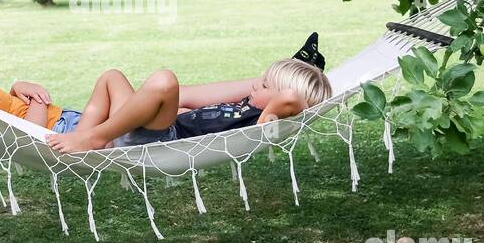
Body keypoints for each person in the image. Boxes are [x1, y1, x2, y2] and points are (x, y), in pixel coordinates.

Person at [44, 58, 331, 153]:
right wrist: (268, 88)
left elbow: (290, 99)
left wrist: (272, 106)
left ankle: (94, 137)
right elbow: (281, 94)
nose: (256, 85)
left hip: (164, 138)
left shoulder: (262, 121)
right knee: (112, 77)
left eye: (265, 85)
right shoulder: (250, 104)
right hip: (152, 129)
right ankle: (83, 137)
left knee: (164, 80)